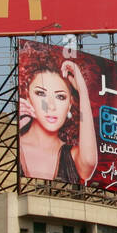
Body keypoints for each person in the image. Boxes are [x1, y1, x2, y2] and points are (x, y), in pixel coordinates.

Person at [17, 49, 97, 185]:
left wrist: (83, 91)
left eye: (60, 96)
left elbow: (89, 162)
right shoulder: (11, 147)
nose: (51, 106)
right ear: (28, 97)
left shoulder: (71, 155)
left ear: (70, 104)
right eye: (41, 94)